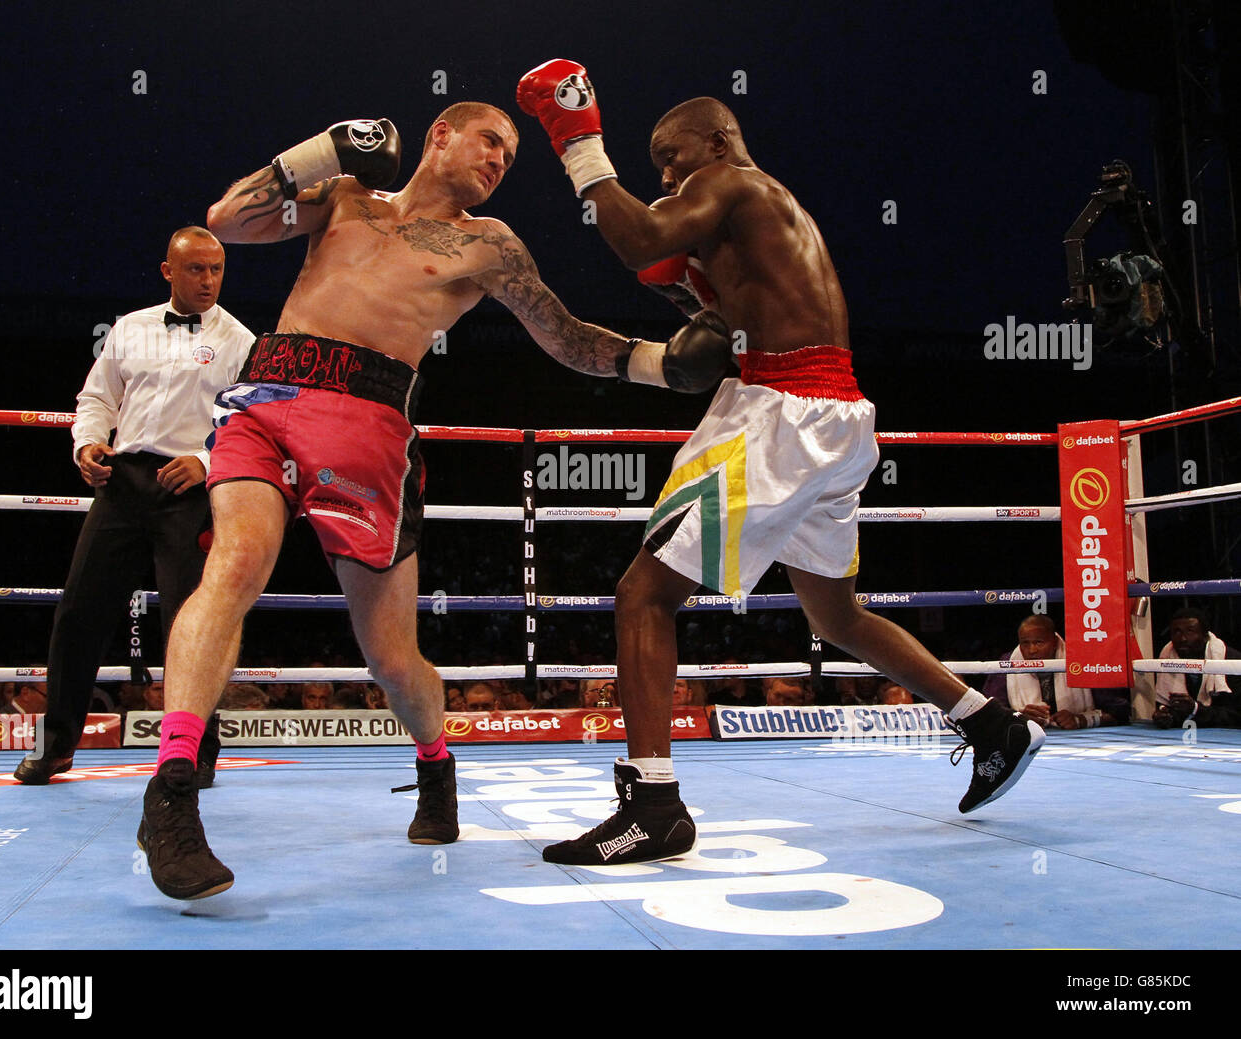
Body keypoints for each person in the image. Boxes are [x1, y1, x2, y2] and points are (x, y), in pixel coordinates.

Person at [138, 103, 679, 900]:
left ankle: (435, 764)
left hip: (368, 422)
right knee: (233, 566)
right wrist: (320, 148)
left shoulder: (487, 243)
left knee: (390, 659)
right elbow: (229, 218)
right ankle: (172, 790)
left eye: (512, 152)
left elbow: (561, 334)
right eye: (490, 140)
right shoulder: (347, 195)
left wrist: (659, 365)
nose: (500, 159)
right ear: (440, 135)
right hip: (266, 391)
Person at [518, 63, 1046, 865]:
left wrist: (577, 141)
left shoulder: (732, 181)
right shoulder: (756, 218)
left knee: (642, 594)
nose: (665, 173)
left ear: (720, 140)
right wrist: (688, 296)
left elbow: (640, 236)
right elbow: (705, 303)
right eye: (655, 163)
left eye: (673, 154)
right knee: (836, 616)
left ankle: (653, 803)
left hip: (781, 413)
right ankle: (990, 722)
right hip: (835, 414)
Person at [15, 228, 253, 789]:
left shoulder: (239, 340)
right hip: (122, 483)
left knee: (190, 624)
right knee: (80, 612)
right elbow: (97, 397)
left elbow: (247, 421)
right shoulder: (130, 328)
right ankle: (57, 747)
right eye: (196, 269)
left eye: (217, 269)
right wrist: (87, 443)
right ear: (168, 271)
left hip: (189, 491)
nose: (208, 281)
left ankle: (197, 751)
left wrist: (202, 460)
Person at [983, 615, 1128, 729]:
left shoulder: (1082, 661)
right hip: (1028, 740)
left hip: (1083, 742)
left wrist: (1082, 719)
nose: (1031, 650)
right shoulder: (1008, 662)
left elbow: (1119, 712)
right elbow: (989, 712)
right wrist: (1018, 716)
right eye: (1025, 643)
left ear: (1054, 642)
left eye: (1039, 642)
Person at [1152, 608, 1241, 729]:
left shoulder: (1231, 661)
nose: (1182, 638)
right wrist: (1167, 716)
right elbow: (1167, 703)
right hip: (1185, 736)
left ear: (1205, 636)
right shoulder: (1166, 658)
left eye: (1190, 631)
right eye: (1177, 632)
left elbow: (1235, 714)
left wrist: (1196, 709)